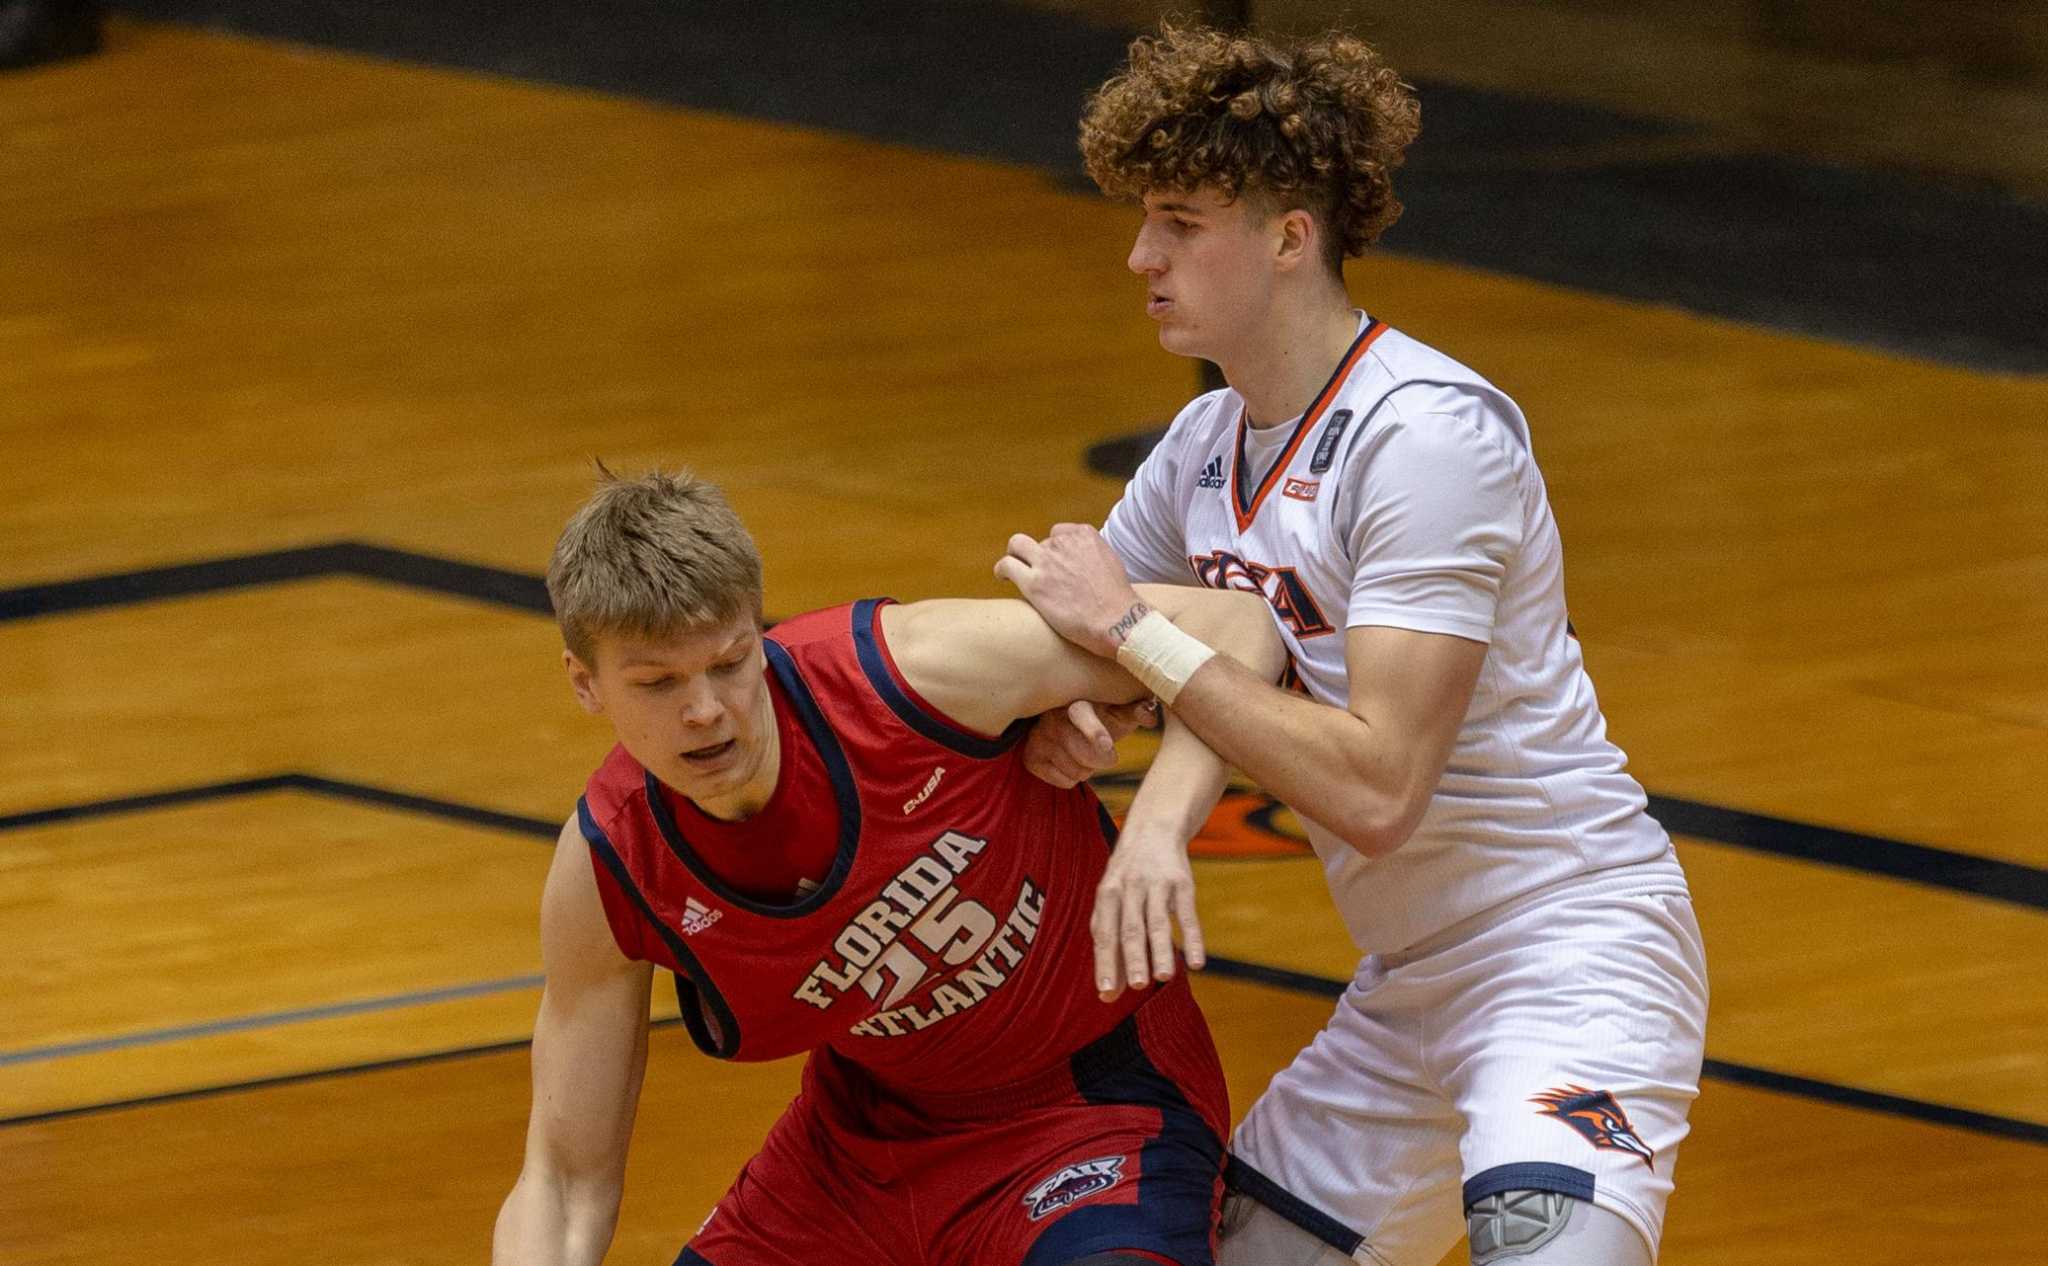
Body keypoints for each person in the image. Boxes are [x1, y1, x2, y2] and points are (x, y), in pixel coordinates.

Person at [996, 24, 1708, 1266]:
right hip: (1404, 987)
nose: (1137, 255)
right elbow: (1086, 664)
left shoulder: (1425, 438)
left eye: (1177, 221)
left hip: (1567, 951)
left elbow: (1376, 786)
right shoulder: (1198, 453)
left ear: (1287, 236)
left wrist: (1129, 636)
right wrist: (1076, 708)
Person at [492, 466, 1285, 1266]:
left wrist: (1154, 827)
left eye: (730, 663)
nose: (705, 709)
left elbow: (1235, 625)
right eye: (658, 683)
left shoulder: (908, 676)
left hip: (1087, 1108)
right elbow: (562, 1181)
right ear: (585, 683)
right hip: (856, 1157)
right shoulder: (612, 869)